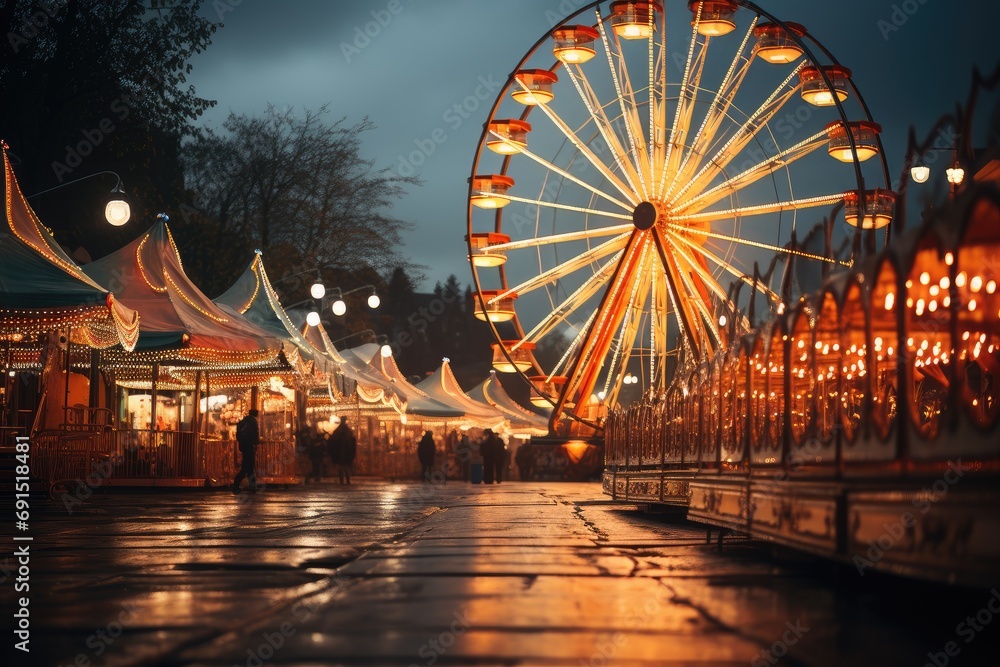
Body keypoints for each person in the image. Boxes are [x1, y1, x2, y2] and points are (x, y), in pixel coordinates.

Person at [232, 408, 260, 492]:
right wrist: (256, 443)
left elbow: (238, 434)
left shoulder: (244, 421)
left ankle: (252, 486)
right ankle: (236, 484)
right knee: (247, 467)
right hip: (249, 447)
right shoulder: (253, 422)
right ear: (255, 414)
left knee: (249, 467)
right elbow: (255, 433)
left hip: (244, 446)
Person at [330, 416, 357, 485]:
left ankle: (343, 480)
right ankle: (345, 480)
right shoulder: (345, 430)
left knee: (342, 468)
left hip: (343, 452)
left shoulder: (340, 430)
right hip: (343, 452)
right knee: (344, 468)